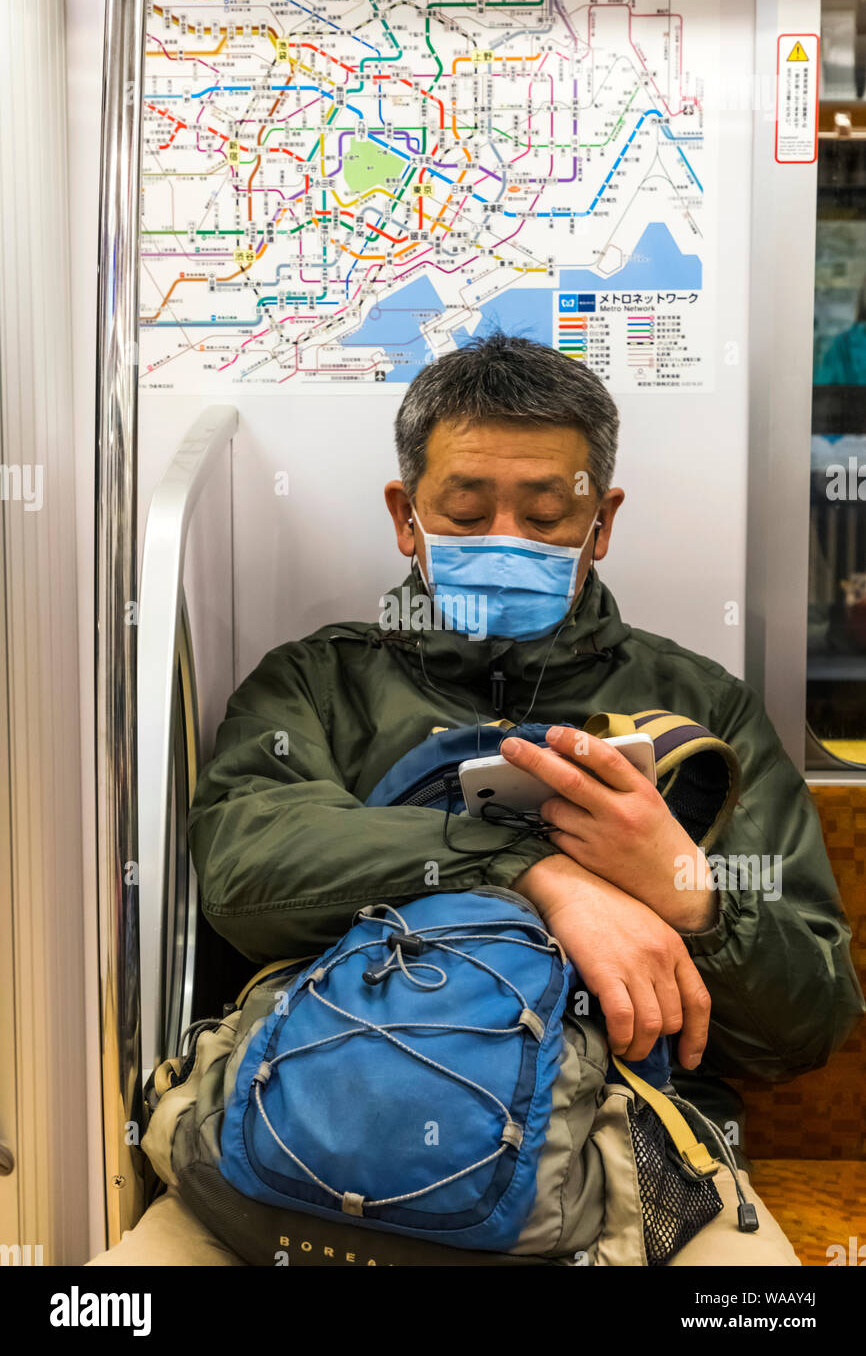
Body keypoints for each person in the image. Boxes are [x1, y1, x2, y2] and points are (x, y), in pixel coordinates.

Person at [88, 332, 864, 1266]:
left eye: (545, 516)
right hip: (306, 1134)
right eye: (464, 510)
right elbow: (250, 869)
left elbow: (809, 1023)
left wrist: (686, 890)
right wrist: (537, 872)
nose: (505, 543)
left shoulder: (703, 713)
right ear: (406, 516)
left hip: (623, 1170)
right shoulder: (315, 686)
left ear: (602, 520)